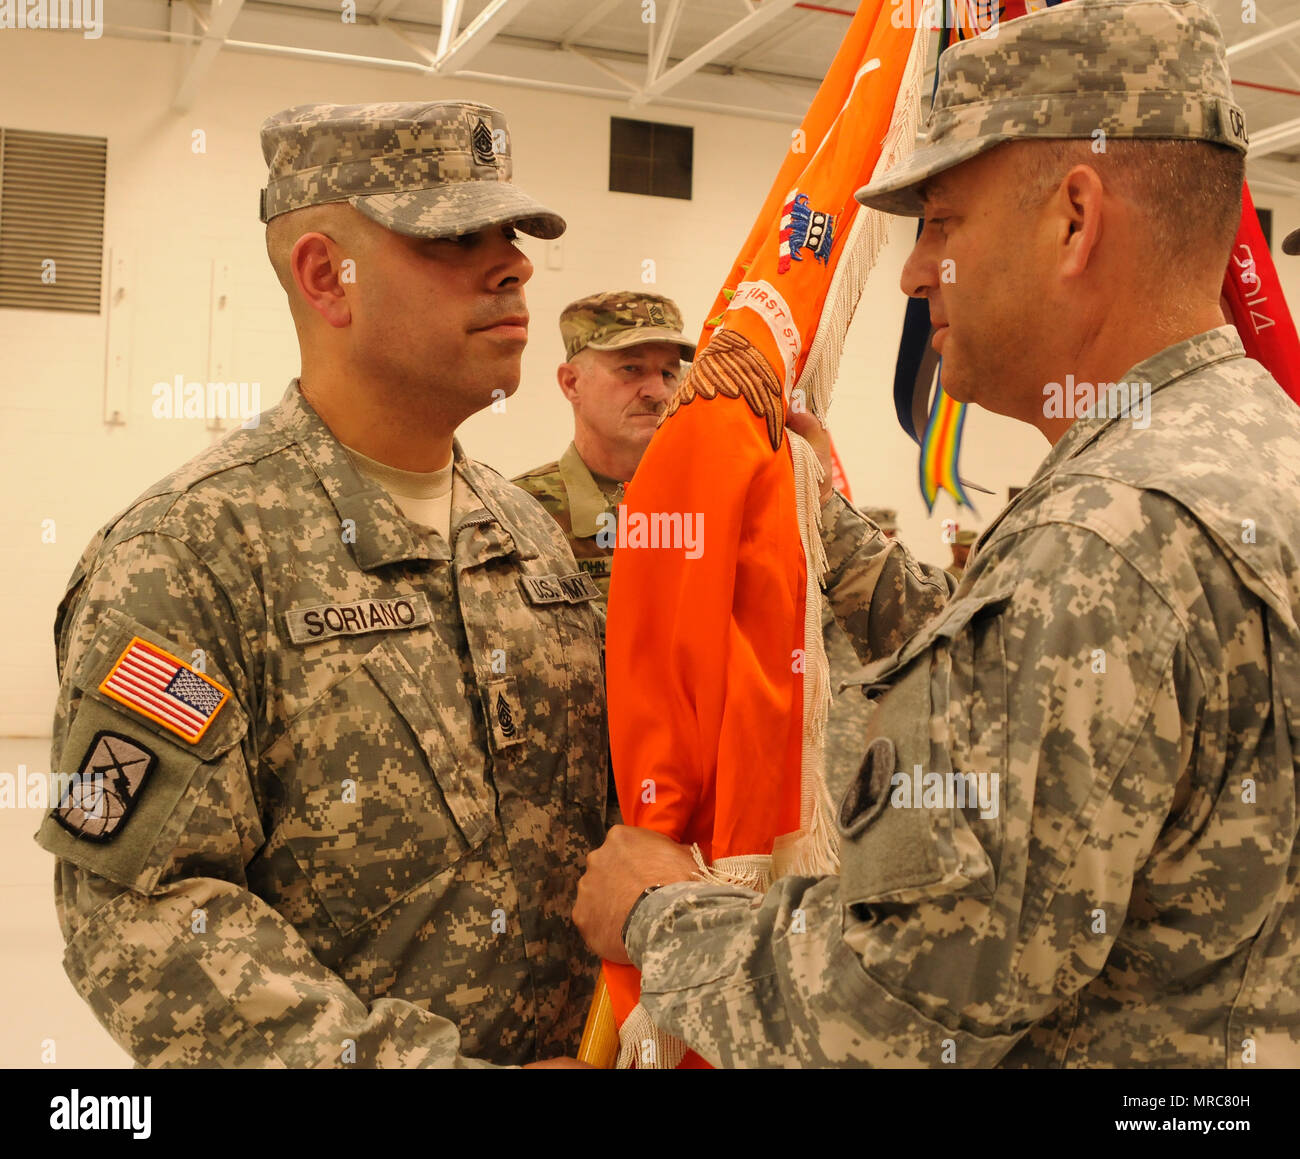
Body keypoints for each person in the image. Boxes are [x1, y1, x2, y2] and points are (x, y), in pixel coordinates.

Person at [574, 0, 1300, 1067]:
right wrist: (808, 507)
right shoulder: (1249, 451)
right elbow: (1036, 680)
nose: (914, 274)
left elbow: (894, 1010)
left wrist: (658, 913)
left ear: (1073, 219)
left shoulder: (1107, 540)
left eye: (942, 223)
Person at [36, 101, 611, 1068]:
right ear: (324, 276)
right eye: (455, 236)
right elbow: (141, 916)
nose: (511, 264)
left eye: (509, 234)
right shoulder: (188, 555)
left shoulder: (530, 540)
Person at [513, 292, 694, 603]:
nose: (657, 391)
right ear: (572, 383)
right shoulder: (519, 515)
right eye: (631, 369)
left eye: (668, 373)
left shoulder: (709, 504)